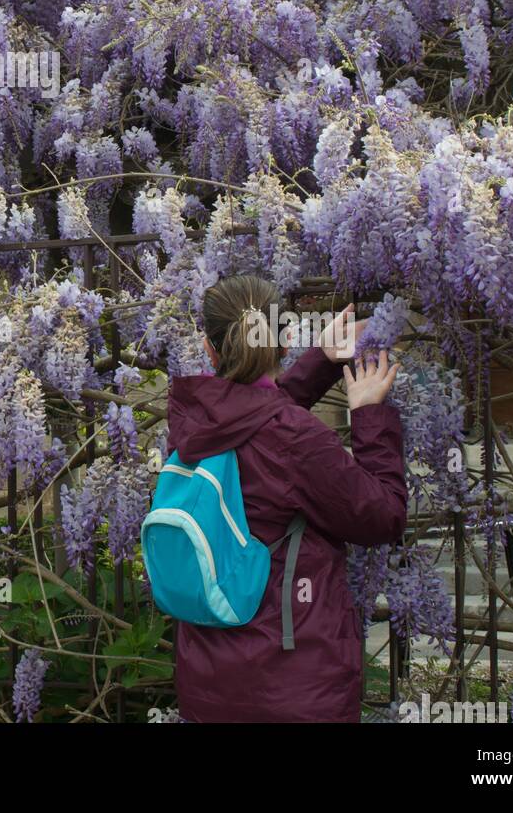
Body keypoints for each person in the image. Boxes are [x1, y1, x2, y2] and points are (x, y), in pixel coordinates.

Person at [167, 273, 406, 723]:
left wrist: (319, 364)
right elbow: (383, 516)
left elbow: (252, 421)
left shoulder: (191, 423)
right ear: (286, 338)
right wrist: (369, 415)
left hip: (206, 686)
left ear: (208, 347)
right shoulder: (296, 439)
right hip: (294, 690)